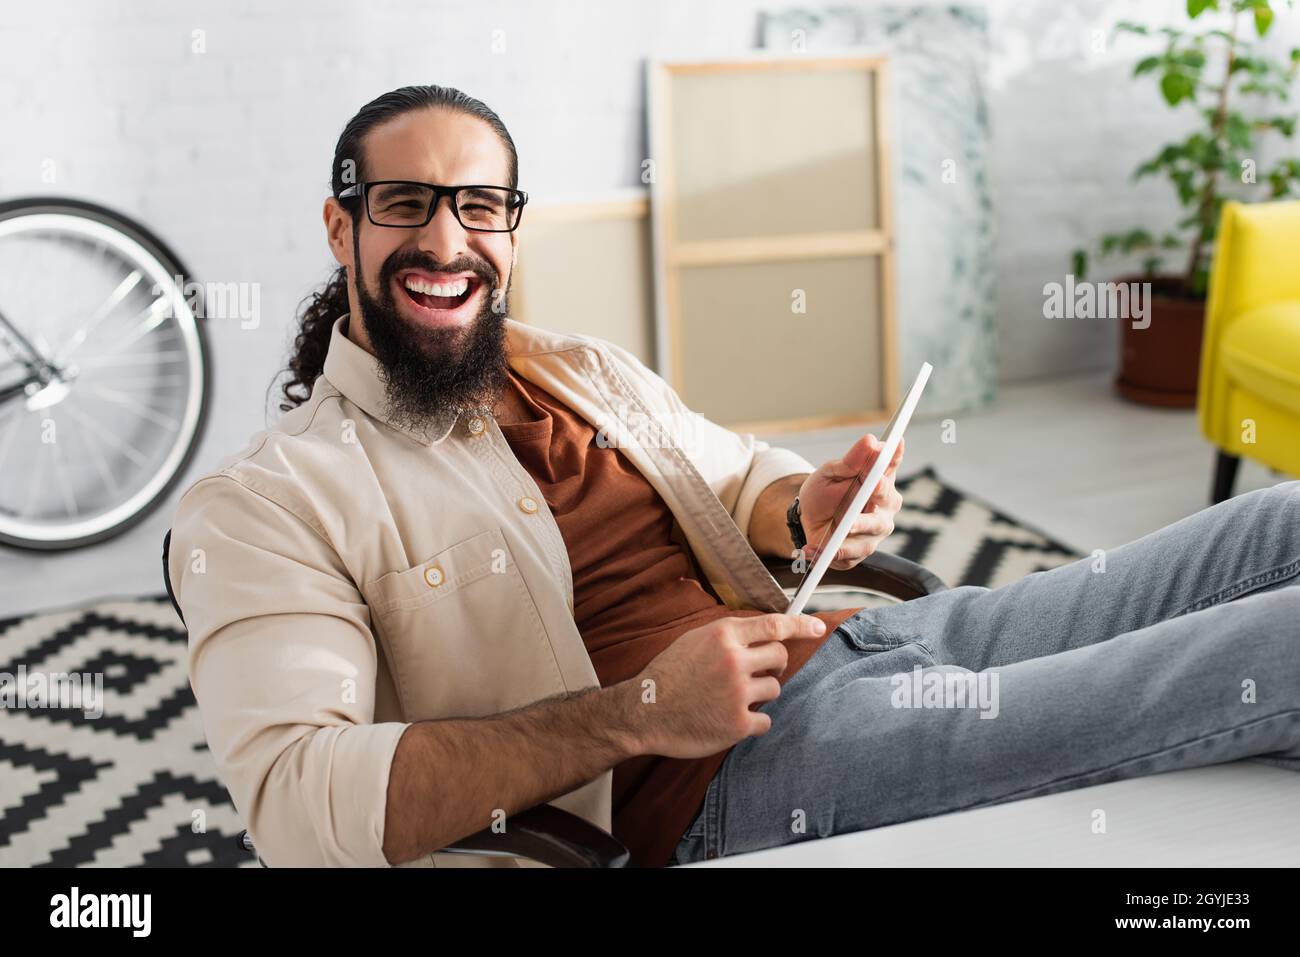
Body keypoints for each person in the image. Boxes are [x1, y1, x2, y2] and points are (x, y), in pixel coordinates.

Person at [169, 84, 1300, 869]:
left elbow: (741, 475)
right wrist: (638, 713)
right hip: (734, 785)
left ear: (512, 231)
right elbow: (298, 804)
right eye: (405, 204)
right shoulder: (269, 503)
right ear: (341, 225)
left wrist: (805, 509)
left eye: (480, 206)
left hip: (868, 648)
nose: (448, 239)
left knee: (1280, 525)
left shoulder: (573, 369)